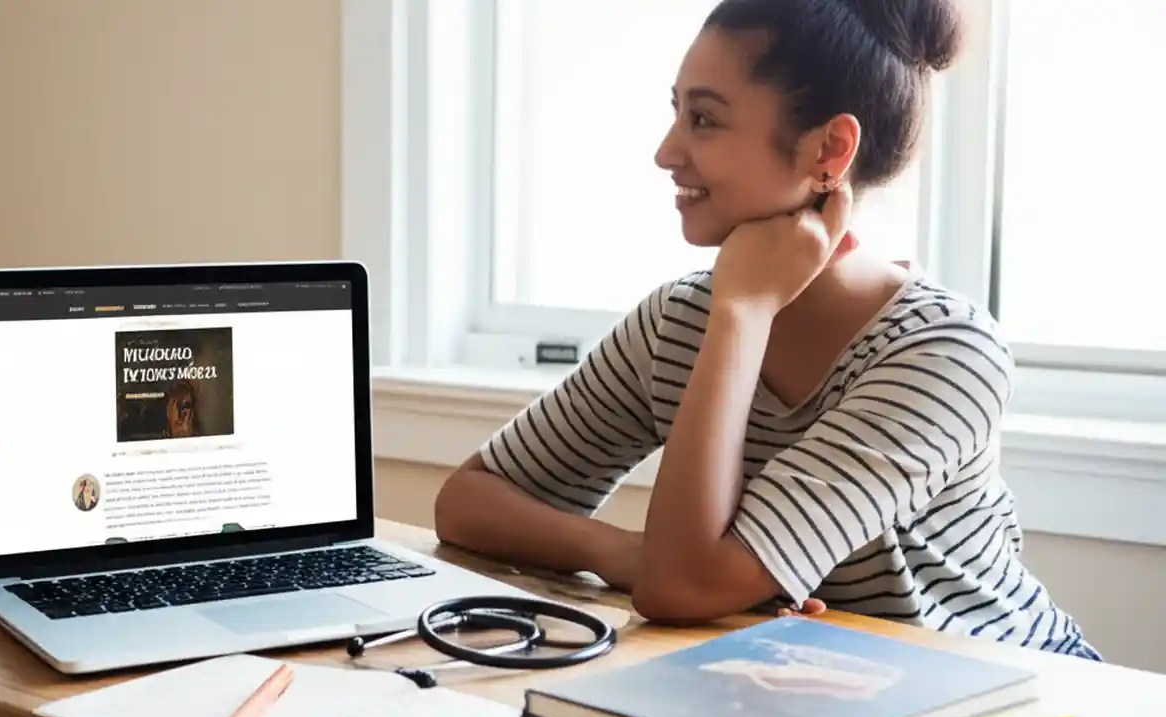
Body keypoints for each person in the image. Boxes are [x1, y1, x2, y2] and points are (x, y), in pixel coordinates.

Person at [434, 0, 1101, 659]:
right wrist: (622, 553)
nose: (667, 152)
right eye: (676, 112)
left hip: (1018, 688)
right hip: (817, 682)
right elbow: (469, 503)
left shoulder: (944, 354)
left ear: (829, 149)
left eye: (704, 120)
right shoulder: (679, 320)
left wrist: (744, 315)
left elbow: (681, 585)